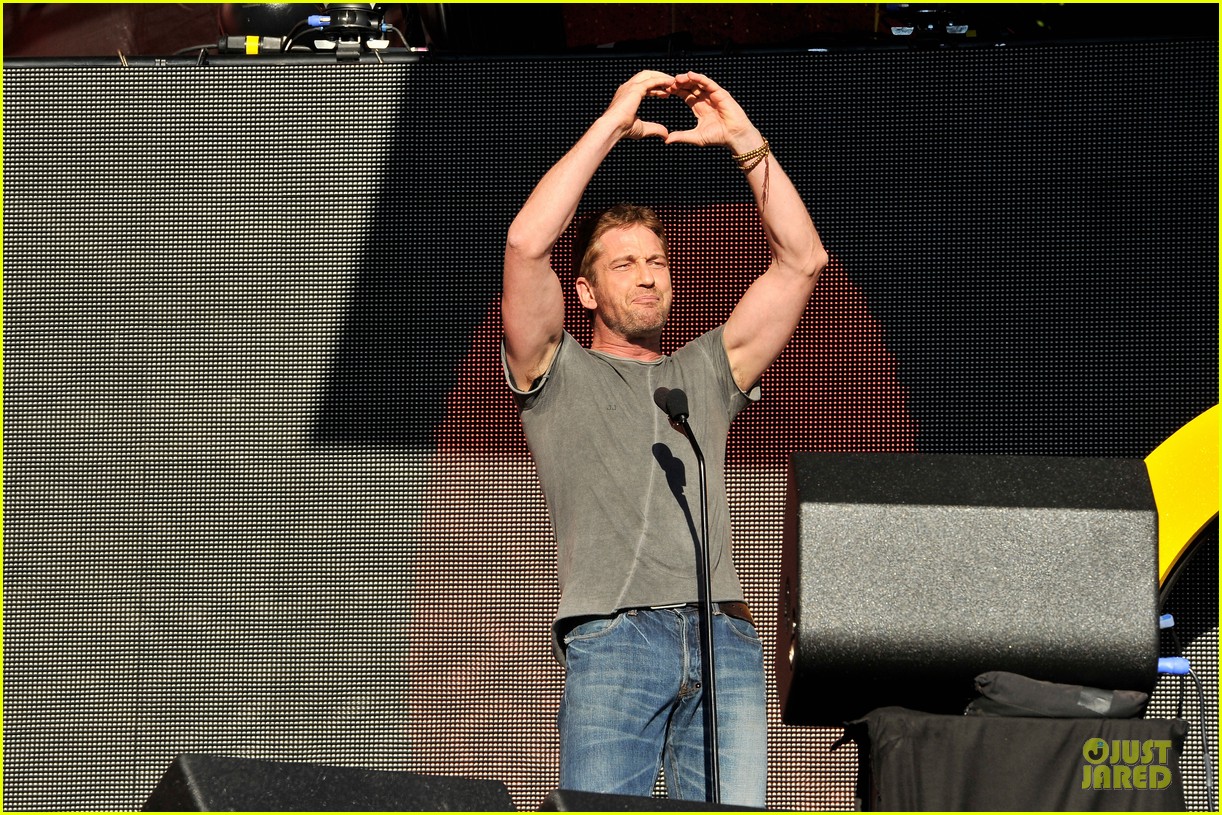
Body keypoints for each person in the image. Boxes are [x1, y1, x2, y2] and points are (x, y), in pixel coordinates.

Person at [501, 70, 827, 805]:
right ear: (586, 291)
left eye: (656, 262)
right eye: (624, 264)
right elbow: (525, 244)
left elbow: (802, 261)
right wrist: (612, 125)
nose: (647, 277)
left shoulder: (703, 371)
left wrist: (745, 140)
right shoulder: (556, 369)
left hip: (725, 641)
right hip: (616, 638)